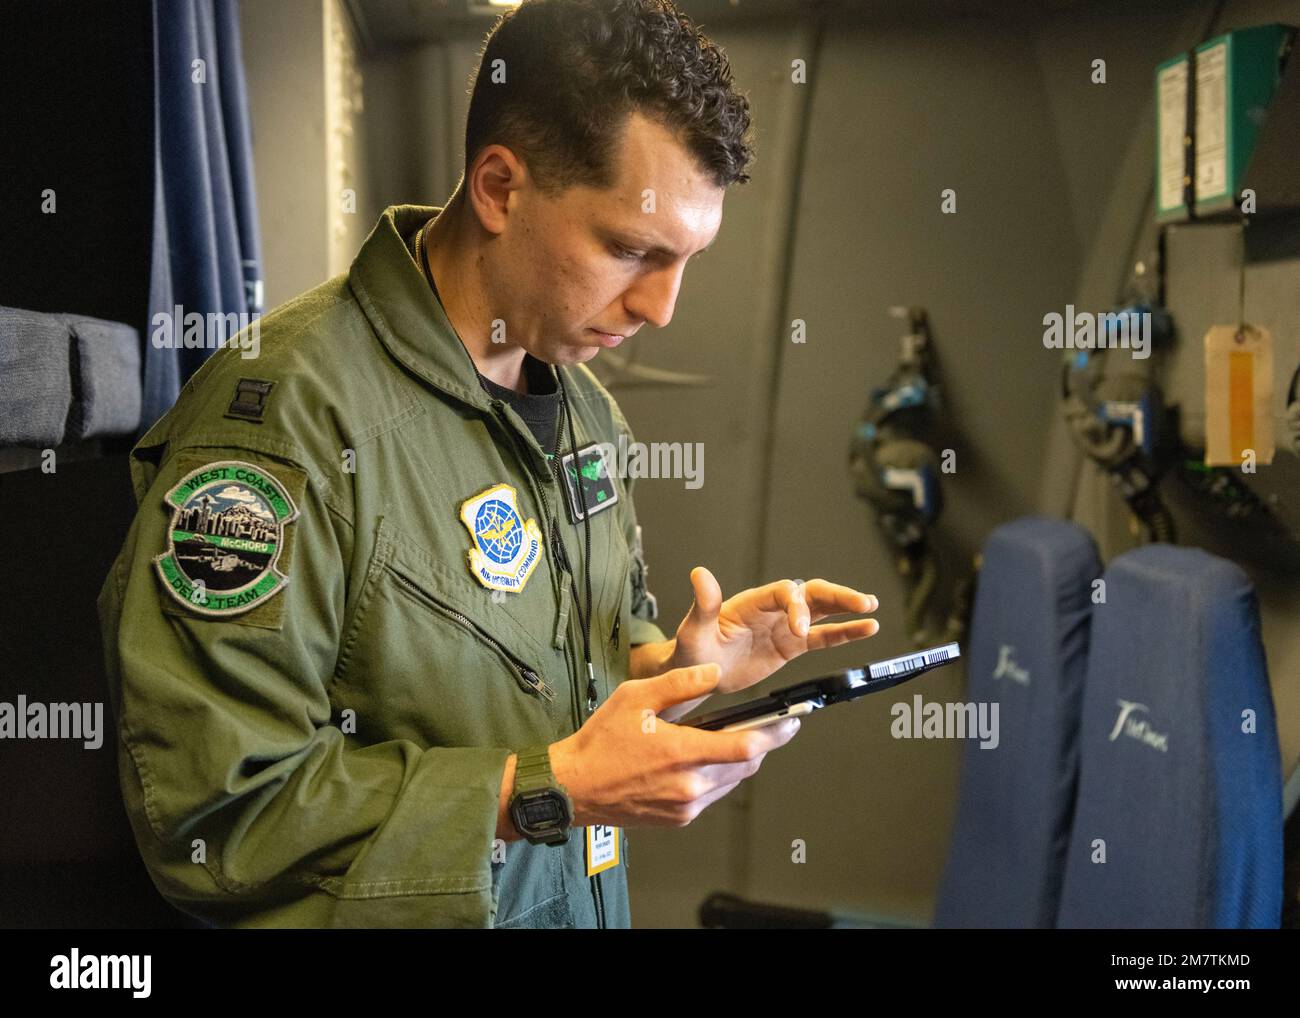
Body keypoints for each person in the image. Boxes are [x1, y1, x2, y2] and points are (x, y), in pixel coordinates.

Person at [97, 0, 880, 928]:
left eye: (686, 260)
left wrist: (682, 669)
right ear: (500, 188)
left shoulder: (588, 415)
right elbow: (215, 817)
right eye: (631, 249)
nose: (662, 309)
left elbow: (575, 671)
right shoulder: (284, 427)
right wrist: (544, 791)